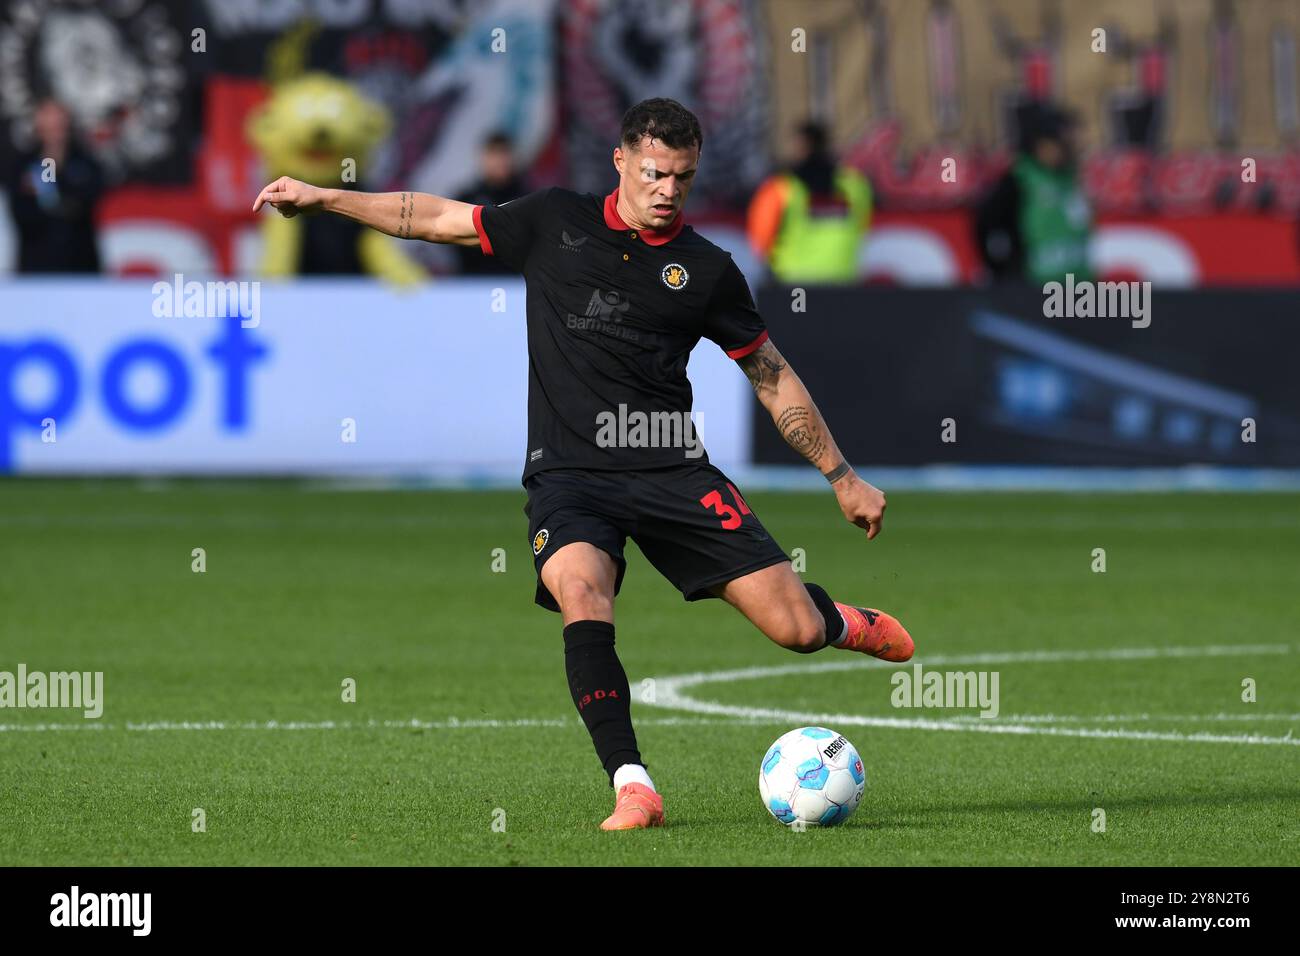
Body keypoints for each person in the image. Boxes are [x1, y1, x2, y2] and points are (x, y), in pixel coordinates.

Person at [253, 98, 914, 831]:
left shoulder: (706, 270)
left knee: (791, 629)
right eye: (656, 173)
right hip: (570, 474)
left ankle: (839, 620)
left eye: (684, 178)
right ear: (623, 161)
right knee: (579, 587)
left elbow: (771, 375)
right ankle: (634, 786)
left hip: (672, 470)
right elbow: (433, 217)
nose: (668, 190)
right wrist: (323, 198)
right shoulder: (553, 221)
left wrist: (841, 475)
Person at [975, 104, 1092, 284]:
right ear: (1040, 145)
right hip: (1034, 286)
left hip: (1077, 285)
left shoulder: (1070, 177)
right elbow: (985, 223)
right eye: (1059, 144)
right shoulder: (1019, 179)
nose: (1065, 150)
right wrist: (1001, 268)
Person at [745, 121, 872, 284]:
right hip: (843, 282)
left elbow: (759, 241)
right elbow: (862, 227)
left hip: (794, 285)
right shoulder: (856, 185)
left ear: (799, 146)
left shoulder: (780, 188)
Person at [4, 98, 104, 273]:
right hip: (37, 264)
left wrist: (57, 192)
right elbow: (26, 213)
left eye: (58, 118)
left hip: (80, 263)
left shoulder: (84, 162)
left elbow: (85, 204)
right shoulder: (23, 165)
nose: (53, 125)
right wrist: (47, 178)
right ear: (37, 122)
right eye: (47, 118)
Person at [453, 132, 528, 275]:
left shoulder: (527, 198)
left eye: (504, 154)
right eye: (494, 154)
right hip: (472, 283)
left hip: (517, 284)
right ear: (483, 158)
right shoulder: (465, 199)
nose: (500, 161)